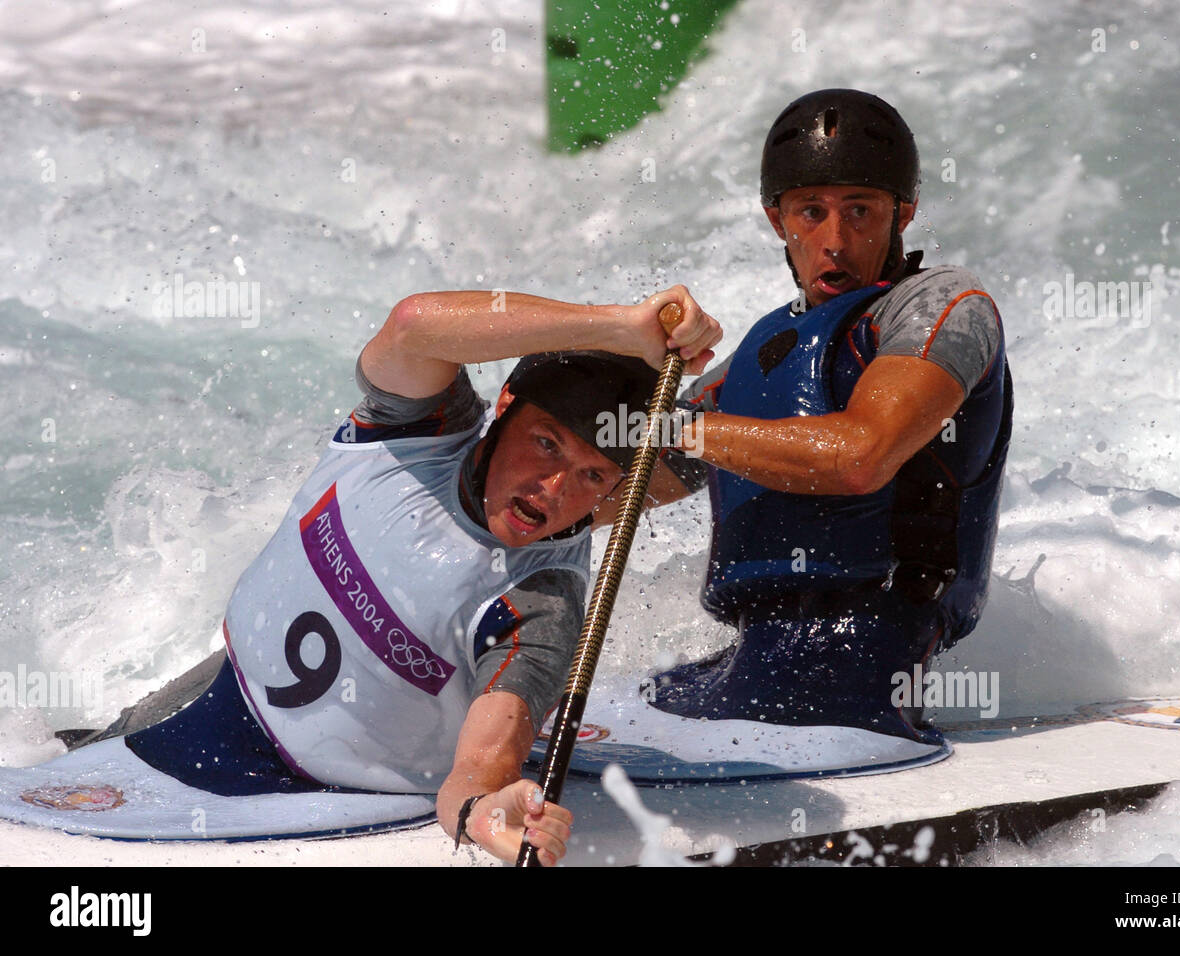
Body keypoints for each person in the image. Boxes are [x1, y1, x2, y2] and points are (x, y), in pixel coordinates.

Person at [106, 290, 722, 866]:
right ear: (504, 407)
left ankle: (735, 415)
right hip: (192, 706)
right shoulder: (414, 431)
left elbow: (478, 773)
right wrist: (619, 326)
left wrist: (486, 813)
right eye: (546, 444)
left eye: (593, 476)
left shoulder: (542, 606)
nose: (554, 490)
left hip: (303, 800)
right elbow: (412, 327)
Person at [647, 89, 1014, 744]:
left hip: (865, 663)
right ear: (775, 219)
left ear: (904, 213)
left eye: (861, 211)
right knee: (607, 698)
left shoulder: (944, 308)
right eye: (810, 212)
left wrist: (675, 427)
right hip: (754, 655)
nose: (835, 240)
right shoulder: (758, 355)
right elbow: (619, 488)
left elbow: (860, 455)